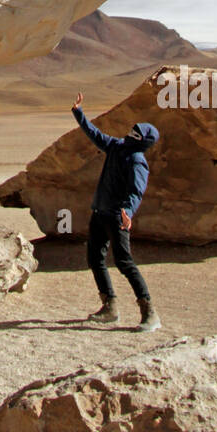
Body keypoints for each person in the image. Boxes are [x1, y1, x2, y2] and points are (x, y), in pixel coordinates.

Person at [70, 91, 161, 331]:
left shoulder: (137, 160)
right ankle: (109, 307)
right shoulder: (117, 146)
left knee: (124, 262)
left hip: (116, 216)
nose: (131, 134)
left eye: (136, 133)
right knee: (95, 259)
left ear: (142, 140)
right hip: (100, 212)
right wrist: (79, 113)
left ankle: (149, 312)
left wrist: (127, 212)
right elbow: (95, 135)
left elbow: (136, 191)